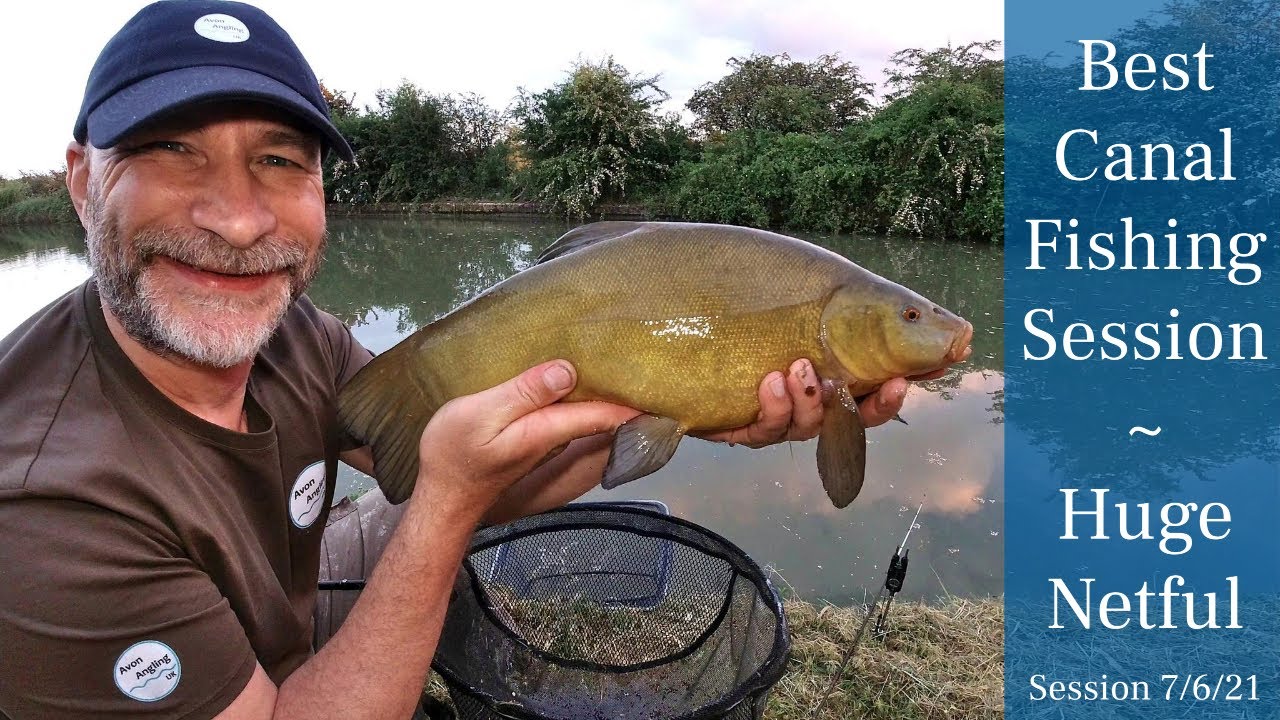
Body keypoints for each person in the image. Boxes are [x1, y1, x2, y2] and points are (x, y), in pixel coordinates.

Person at [0, 2, 930, 719]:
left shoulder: (290, 335)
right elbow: (447, 491)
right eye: (173, 151)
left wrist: (668, 410)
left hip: (275, 611)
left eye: (281, 160)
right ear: (83, 181)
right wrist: (442, 505)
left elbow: (461, 464)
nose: (238, 218)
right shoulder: (42, 511)